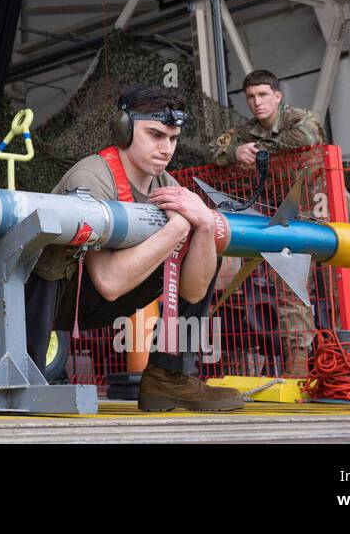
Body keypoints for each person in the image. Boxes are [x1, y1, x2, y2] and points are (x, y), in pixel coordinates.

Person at [27, 86, 243, 412]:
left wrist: (206, 225)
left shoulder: (166, 185)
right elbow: (109, 283)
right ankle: (27, 373)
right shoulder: (92, 177)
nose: (166, 149)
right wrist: (177, 228)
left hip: (91, 304)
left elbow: (194, 291)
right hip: (35, 305)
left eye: (172, 138)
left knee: (205, 244)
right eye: (155, 135)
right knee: (181, 232)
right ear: (124, 130)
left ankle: (169, 377)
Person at [208, 69, 350, 377]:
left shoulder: (298, 118)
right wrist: (235, 150)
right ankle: (298, 367)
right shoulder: (245, 131)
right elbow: (214, 151)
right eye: (251, 97)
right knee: (290, 291)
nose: (257, 102)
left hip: (328, 214)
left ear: (277, 96)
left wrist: (258, 152)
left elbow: (305, 137)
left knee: (339, 292)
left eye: (263, 95)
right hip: (288, 218)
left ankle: (343, 365)